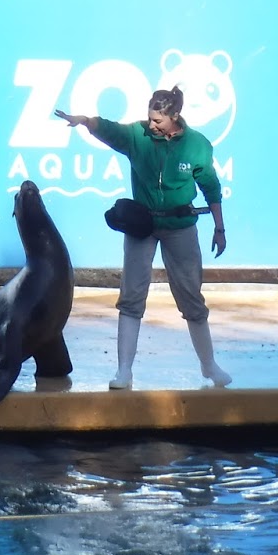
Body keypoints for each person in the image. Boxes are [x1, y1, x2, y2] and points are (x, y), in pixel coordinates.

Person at [55, 86, 230, 390]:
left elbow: (211, 187)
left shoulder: (197, 145)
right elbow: (110, 130)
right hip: (143, 225)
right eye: (149, 118)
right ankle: (124, 371)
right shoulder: (138, 136)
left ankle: (209, 365)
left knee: (191, 297)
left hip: (180, 226)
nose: (152, 125)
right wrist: (85, 121)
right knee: (132, 295)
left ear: (175, 116)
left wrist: (219, 228)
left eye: (158, 120)